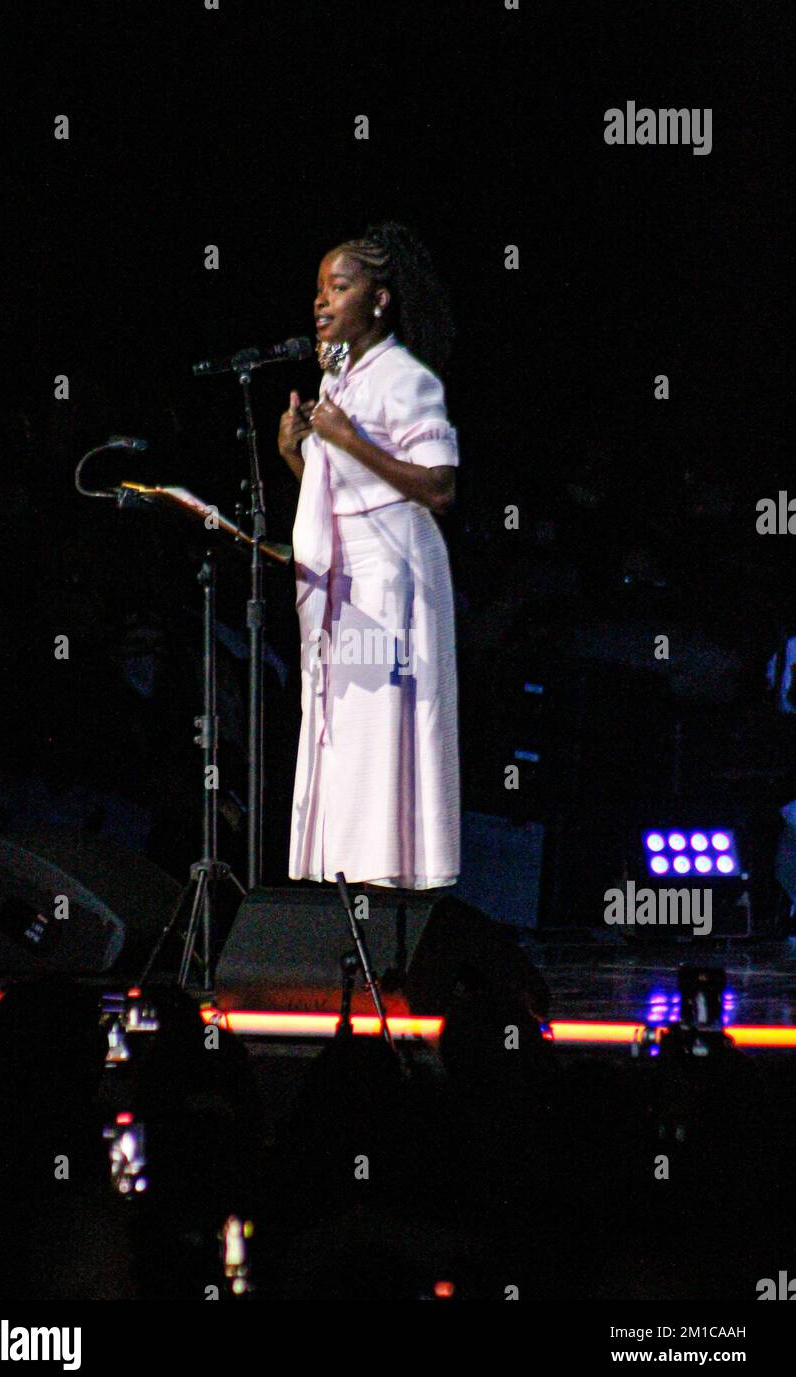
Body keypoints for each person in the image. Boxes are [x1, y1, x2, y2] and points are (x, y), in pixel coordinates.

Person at [278, 221, 460, 889]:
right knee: (340, 727)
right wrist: (297, 455)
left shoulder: (407, 381)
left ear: (379, 301)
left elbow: (438, 487)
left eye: (340, 287)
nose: (323, 301)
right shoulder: (338, 382)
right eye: (319, 289)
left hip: (392, 577)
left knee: (382, 729)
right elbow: (341, 496)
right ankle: (342, 880)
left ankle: (383, 887)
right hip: (342, 573)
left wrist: (348, 440)